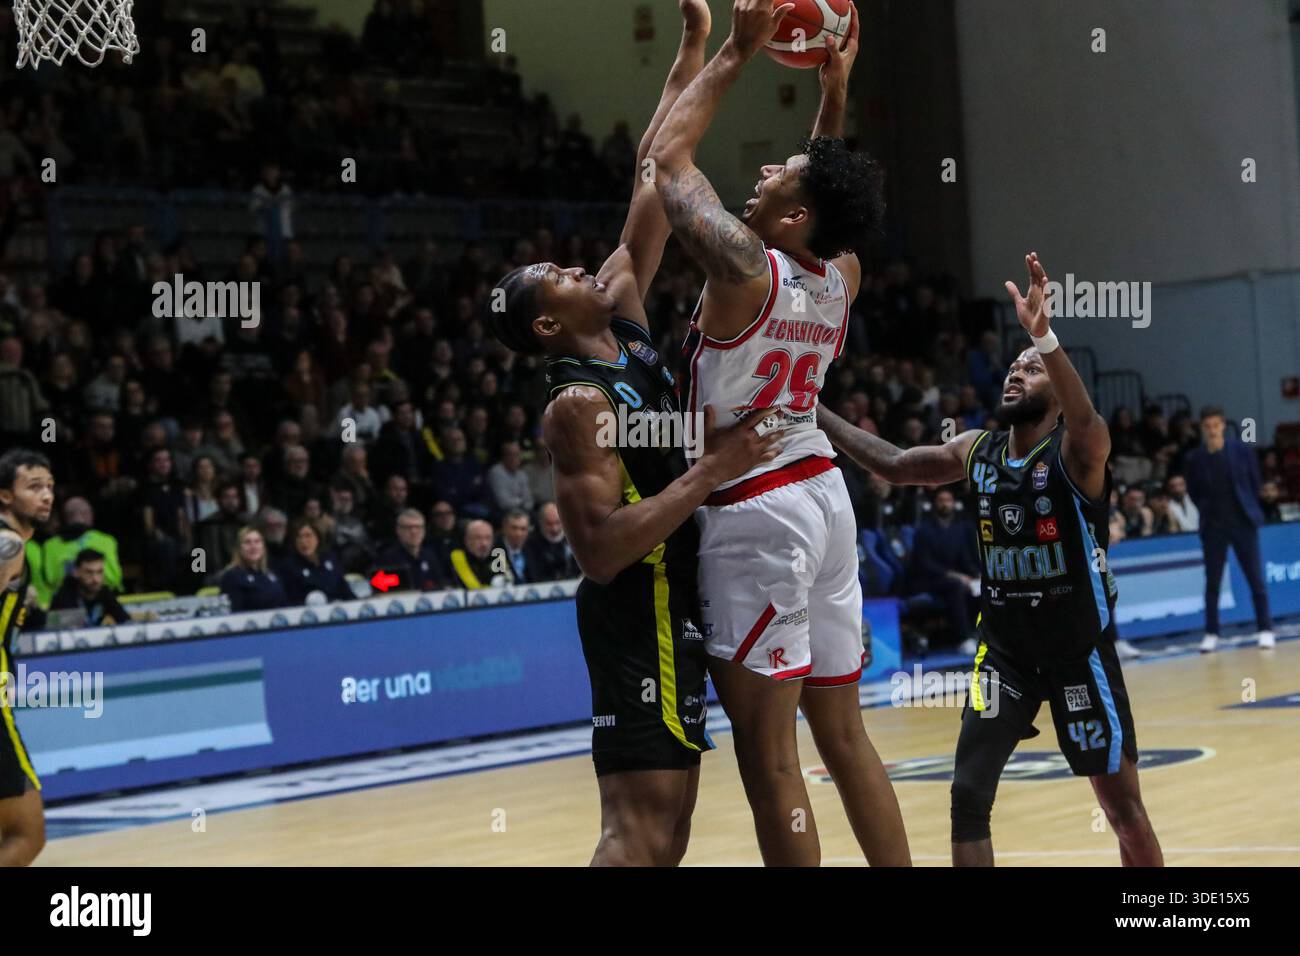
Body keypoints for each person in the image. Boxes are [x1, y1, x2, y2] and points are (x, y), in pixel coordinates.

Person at [486, 0, 777, 867]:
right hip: (632, 603)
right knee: (638, 832)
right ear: (545, 324)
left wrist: (695, 50)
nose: (573, 265)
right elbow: (602, 550)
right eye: (553, 275)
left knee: (671, 832)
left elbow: (656, 172)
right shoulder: (575, 405)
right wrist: (711, 468)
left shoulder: (618, 304)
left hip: (677, 590)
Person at [647, 0, 908, 866]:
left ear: (793, 220)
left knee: (771, 764)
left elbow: (663, 163)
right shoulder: (841, 274)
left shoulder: (740, 267)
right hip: (825, 498)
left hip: (756, 513)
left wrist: (733, 51)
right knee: (845, 736)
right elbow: (827, 192)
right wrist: (836, 88)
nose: (763, 171)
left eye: (780, 176)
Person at [819, 253, 1163, 867]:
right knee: (967, 795)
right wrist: (810, 409)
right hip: (1004, 653)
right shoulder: (974, 449)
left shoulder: (1079, 452)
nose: (1016, 372)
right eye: (1013, 366)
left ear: (1056, 392)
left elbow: (1084, 415)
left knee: (1122, 810)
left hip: (1076, 649)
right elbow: (896, 466)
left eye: (1031, 371)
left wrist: (1043, 336)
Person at [0, 448, 54, 865]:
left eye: (50, 486)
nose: (46, 495)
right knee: (27, 834)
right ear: (5, 495)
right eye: (33, 487)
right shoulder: (9, 543)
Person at [1183, 407, 1274, 651]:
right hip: (1213, 526)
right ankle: (1211, 633)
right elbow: (1193, 491)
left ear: (1223, 425)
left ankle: (1265, 629)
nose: (1212, 430)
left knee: (1256, 579)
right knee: (1212, 582)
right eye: (1208, 426)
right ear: (1203, 428)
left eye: (1216, 425)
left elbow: (1255, 482)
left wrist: (1249, 508)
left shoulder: (1242, 451)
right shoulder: (1195, 458)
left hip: (1242, 523)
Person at [279, 517, 352, 605]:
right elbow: (291, 600)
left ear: (318, 538)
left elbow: (345, 590)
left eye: (308, 535)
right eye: (299, 537)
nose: (303, 541)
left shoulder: (330, 559)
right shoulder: (289, 567)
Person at [49, 548, 130, 627]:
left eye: (99, 572)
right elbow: (51, 624)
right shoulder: (64, 595)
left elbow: (125, 621)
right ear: (76, 572)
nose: (95, 579)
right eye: (89, 572)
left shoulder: (105, 592)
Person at [373, 508, 448, 591]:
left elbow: (441, 585)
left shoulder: (430, 557)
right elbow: (380, 590)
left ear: (424, 531)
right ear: (398, 530)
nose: (414, 531)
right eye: (408, 527)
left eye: (418, 527)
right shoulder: (387, 559)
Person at [218, 526, 289, 612]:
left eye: (257, 541)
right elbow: (233, 614)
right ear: (239, 548)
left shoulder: (271, 574)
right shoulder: (232, 577)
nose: (253, 546)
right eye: (247, 542)